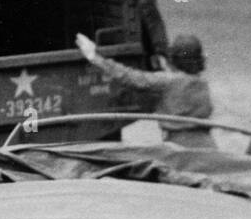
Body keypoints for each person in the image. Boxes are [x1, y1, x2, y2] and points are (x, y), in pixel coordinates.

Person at [75, 32, 215, 148]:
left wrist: (94, 56)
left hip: (180, 147)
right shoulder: (202, 84)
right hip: (208, 145)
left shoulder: (166, 81)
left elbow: (130, 77)